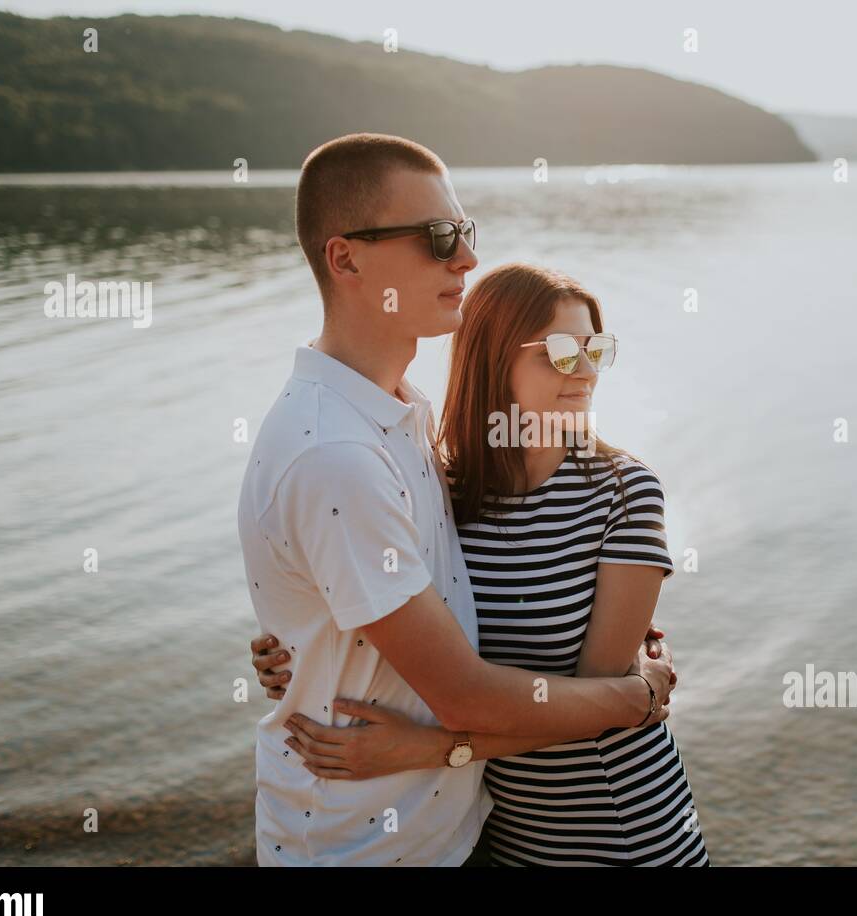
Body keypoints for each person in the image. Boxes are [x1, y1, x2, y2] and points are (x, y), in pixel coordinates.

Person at [237, 133, 673, 866]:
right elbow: (466, 689)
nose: (465, 258)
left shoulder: (410, 420)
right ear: (346, 259)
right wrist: (641, 697)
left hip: (495, 832)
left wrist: (313, 642)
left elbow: (408, 592)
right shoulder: (337, 452)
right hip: (365, 848)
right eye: (439, 237)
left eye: (464, 235)